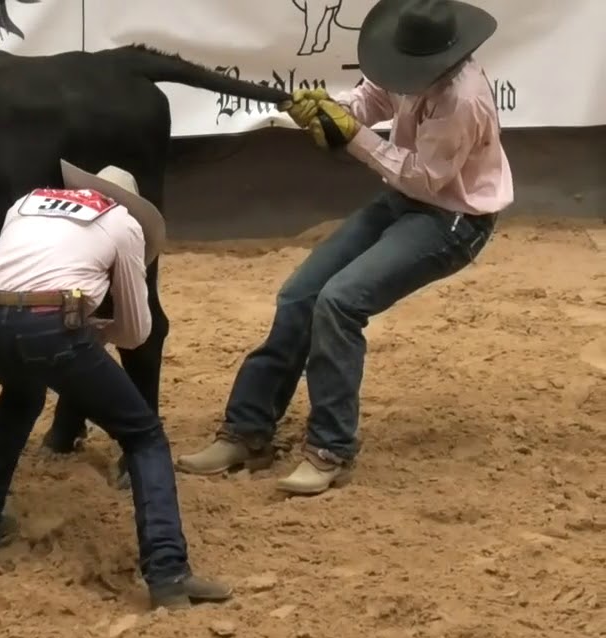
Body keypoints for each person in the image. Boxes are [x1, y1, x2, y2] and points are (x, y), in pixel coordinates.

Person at [177, 0, 512, 495]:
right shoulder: (406, 65)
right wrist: (335, 110)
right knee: (300, 294)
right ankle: (247, 430)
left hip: (454, 217)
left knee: (340, 302)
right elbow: (370, 98)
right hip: (406, 199)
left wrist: (352, 136)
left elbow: (424, 177)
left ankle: (331, 448)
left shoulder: (463, 100)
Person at [0, 160, 232, 609]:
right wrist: (95, 331)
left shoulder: (27, 202)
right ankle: (168, 572)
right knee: (144, 437)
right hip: (52, 326)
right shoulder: (123, 224)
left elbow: (18, 274)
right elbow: (137, 333)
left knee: (20, 397)